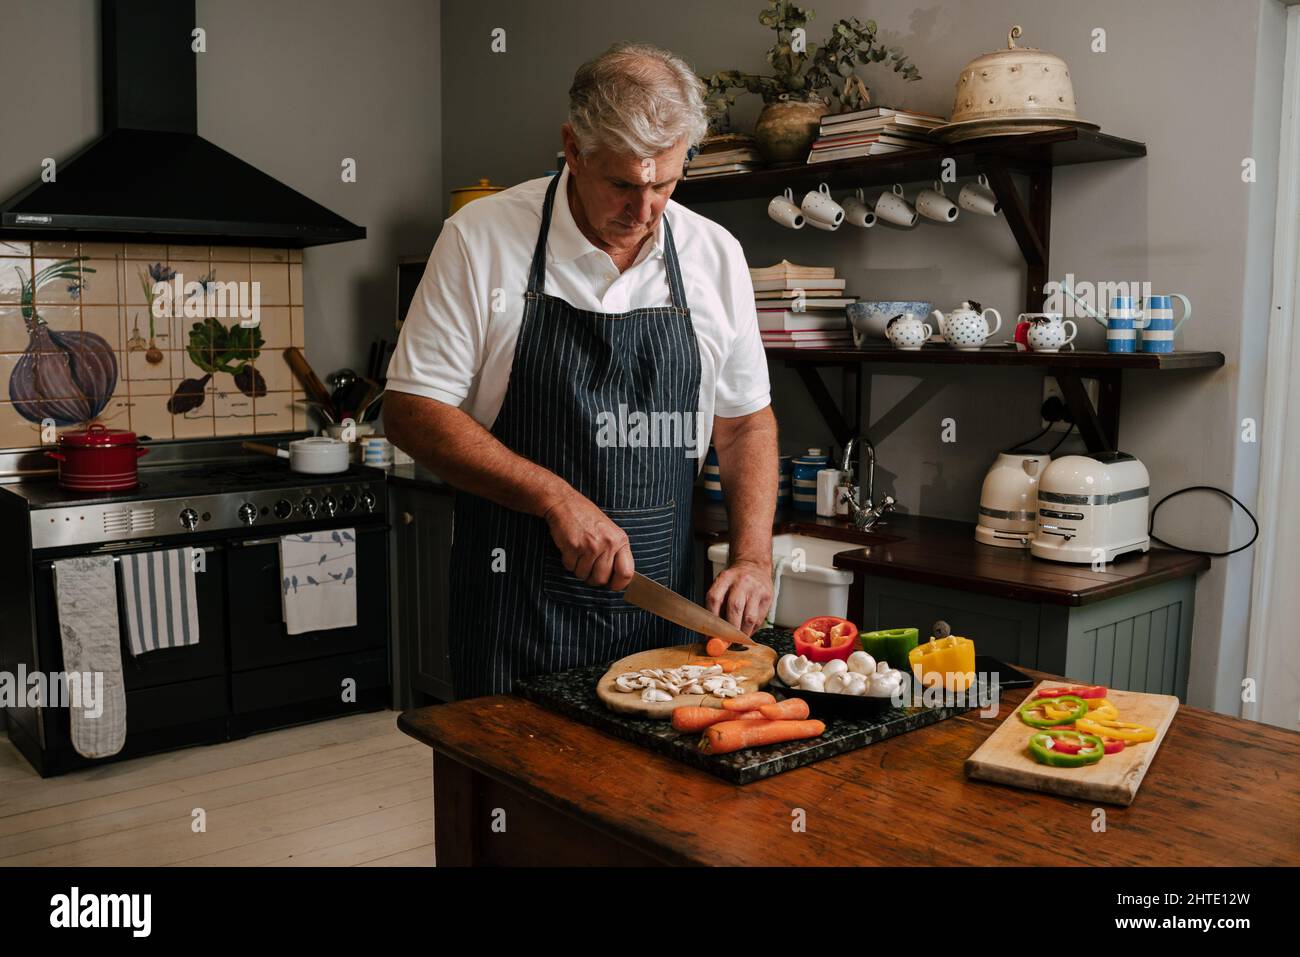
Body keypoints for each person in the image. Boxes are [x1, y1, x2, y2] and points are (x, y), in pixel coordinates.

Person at [384, 42, 778, 697]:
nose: (646, 209)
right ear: (572, 148)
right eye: (623, 184)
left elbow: (744, 425)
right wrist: (554, 496)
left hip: (664, 633)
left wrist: (753, 557)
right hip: (517, 622)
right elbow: (412, 410)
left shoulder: (715, 256)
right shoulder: (480, 238)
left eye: (665, 184)